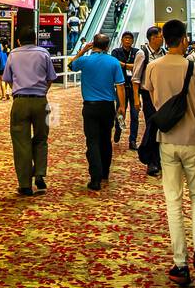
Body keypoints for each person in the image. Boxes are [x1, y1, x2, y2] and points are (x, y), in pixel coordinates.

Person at [148, 19, 195, 288]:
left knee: (173, 200)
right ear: (184, 39)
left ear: (164, 38)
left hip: (167, 139)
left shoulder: (154, 67)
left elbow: (153, 101)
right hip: (192, 138)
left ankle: (180, 263)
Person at [2, 28, 57, 197]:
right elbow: (51, 78)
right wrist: (42, 92)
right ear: (35, 39)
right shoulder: (44, 53)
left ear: (18, 41)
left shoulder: (13, 54)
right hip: (41, 101)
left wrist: (18, 92)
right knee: (41, 138)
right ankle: (39, 173)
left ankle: (25, 185)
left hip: (20, 101)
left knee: (21, 143)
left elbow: (7, 79)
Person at [70, 33, 126, 191]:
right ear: (107, 46)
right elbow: (120, 86)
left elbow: (71, 65)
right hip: (107, 106)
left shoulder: (85, 60)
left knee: (92, 141)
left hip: (90, 106)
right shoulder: (113, 62)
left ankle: (95, 178)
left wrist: (82, 50)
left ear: (93, 45)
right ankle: (105, 173)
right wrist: (121, 106)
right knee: (105, 140)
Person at [131, 25, 165, 170]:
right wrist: (136, 99)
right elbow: (136, 78)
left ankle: (159, 159)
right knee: (152, 126)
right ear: (152, 38)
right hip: (147, 95)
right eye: (160, 36)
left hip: (163, 94)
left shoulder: (164, 53)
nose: (162, 39)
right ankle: (151, 160)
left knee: (162, 126)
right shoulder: (142, 53)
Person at [111, 31, 140, 145]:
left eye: (130, 38)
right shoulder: (116, 51)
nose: (127, 40)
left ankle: (132, 140)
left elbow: (139, 66)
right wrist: (130, 66)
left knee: (135, 115)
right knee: (120, 112)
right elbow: (114, 64)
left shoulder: (137, 52)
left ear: (132, 41)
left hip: (134, 88)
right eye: (125, 38)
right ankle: (118, 129)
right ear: (122, 40)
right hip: (121, 88)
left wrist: (124, 65)